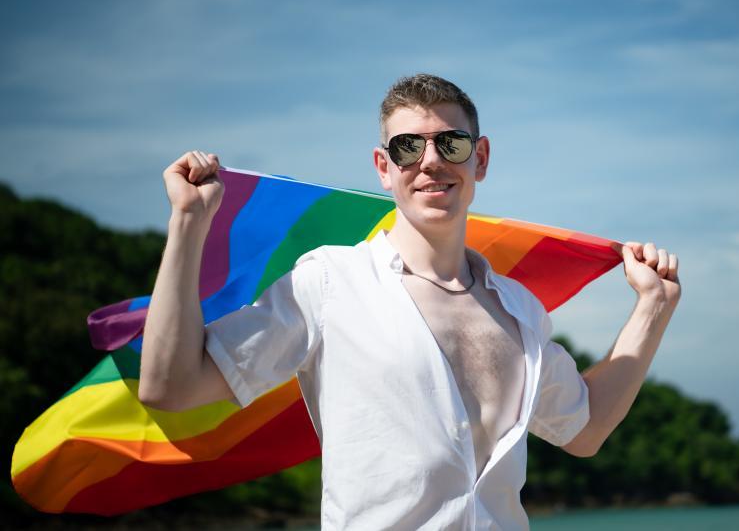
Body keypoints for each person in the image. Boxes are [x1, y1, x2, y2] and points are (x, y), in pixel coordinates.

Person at [138, 73, 681, 530]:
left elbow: (583, 430)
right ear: (383, 166)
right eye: (407, 147)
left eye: (451, 144)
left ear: (480, 157)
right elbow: (171, 387)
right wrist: (188, 223)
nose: (429, 162)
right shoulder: (330, 283)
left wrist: (652, 309)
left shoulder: (519, 309)